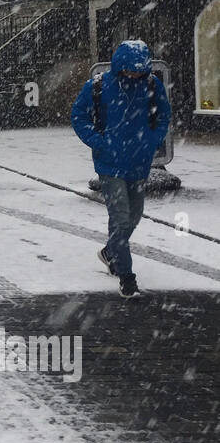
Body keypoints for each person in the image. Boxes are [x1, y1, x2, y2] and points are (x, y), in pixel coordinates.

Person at [70, 39, 170, 298]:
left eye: (140, 69)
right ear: (121, 65)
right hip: (110, 164)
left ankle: (109, 252)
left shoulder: (151, 84)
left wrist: (152, 141)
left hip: (139, 162)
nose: (136, 74)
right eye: (131, 69)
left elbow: (163, 115)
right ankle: (126, 275)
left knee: (135, 216)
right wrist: (99, 142)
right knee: (122, 218)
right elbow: (79, 116)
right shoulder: (99, 86)